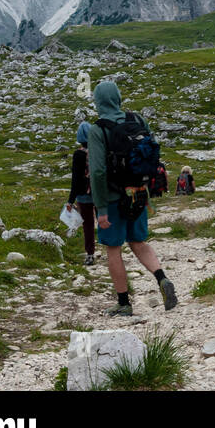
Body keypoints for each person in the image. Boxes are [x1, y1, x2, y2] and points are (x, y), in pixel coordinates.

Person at [89, 80, 177, 316]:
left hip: (112, 198)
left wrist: (101, 208)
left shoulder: (98, 129)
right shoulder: (137, 120)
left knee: (113, 248)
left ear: (98, 102)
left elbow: (97, 172)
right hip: (138, 193)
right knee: (138, 242)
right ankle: (162, 278)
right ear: (118, 98)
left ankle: (123, 303)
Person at [67, 122, 97, 266]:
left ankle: (90, 254)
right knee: (104, 221)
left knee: (88, 225)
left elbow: (76, 179)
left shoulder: (78, 154)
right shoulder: (99, 151)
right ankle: (112, 249)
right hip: (99, 193)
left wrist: (70, 200)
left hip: (83, 195)